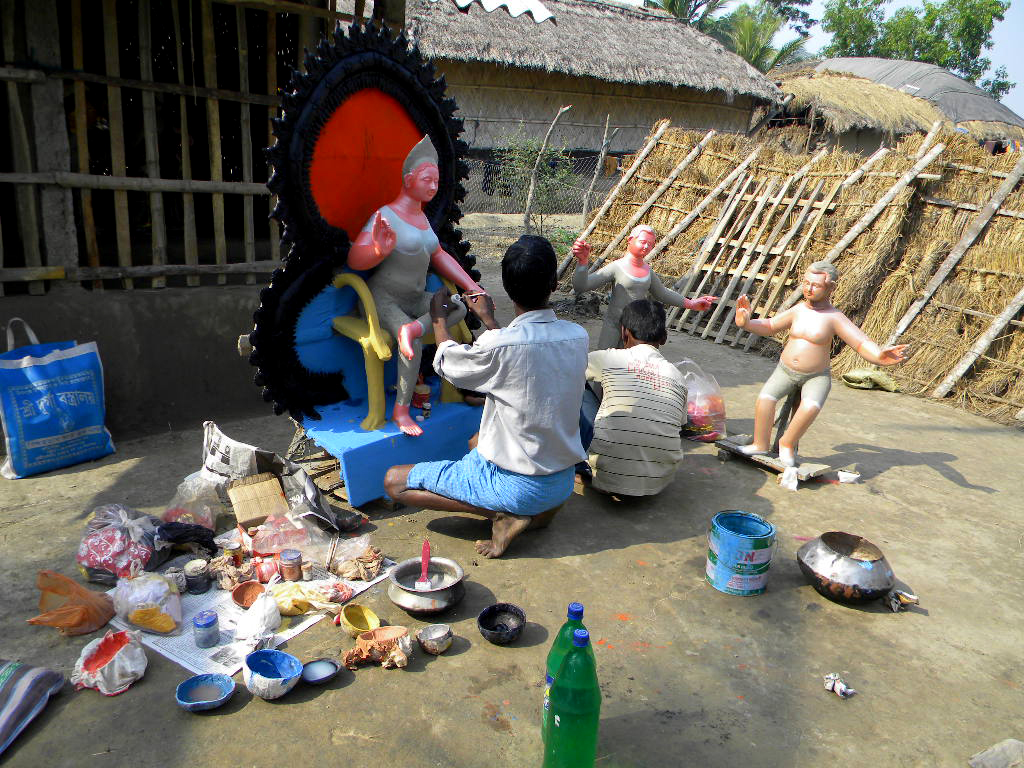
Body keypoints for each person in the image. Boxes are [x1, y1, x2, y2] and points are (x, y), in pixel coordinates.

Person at [383, 235, 589, 558]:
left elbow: (448, 363)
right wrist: (489, 322)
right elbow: (521, 360)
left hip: (518, 488)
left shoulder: (500, 347)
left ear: (506, 287)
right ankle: (538, 510)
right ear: (555, 282)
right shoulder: (578, 336)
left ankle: (505, 513)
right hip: (560, 481)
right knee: (475, 441)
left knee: (394, 481)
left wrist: (438, 317)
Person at [348, 135, 485, 437]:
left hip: (414, 298)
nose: (433, 186)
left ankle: (414, 329)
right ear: (408, 180)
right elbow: (355, 259)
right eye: (427, 179)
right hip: (383, 299)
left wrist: (470, 283)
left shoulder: (421, 218)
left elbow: (438, 255)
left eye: (436, 181)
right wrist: (376, 252)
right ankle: (400, 409)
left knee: (457, 306)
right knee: (409, 349)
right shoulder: (385, 216)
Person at [734, 261, 908, 467]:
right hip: (785, 370)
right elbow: (771, 325)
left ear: (831, 288)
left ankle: (787, 443)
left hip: (815, 375)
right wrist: (746, 322)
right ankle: (760, 442)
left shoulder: (834, 317)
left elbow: (860, 342)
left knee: (811, 406)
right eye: (806, 283)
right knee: (765, 398)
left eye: (816, 285)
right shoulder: (798, 310)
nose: (809, 288)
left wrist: (879, 356)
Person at [579, 299, 688, 497]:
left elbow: (562, 373)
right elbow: (680, 424)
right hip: (659, 481)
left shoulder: (608, 358)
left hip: (605, 477)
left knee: (578, 384)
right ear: (663, 338)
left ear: (624, 333)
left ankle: (579, 464)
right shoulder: (677, 376)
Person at [571, 225, 717, 349]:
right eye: (642, 242)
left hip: (636, 328)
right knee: (604, 364)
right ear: (630, 240)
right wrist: (583, 262)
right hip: (614, 326)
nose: (647, 246)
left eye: (651, 244)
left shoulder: (648, 271)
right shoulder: (617, 267)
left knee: (631, 368)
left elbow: (662, 294)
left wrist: (691, 303)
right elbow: (582, 286)